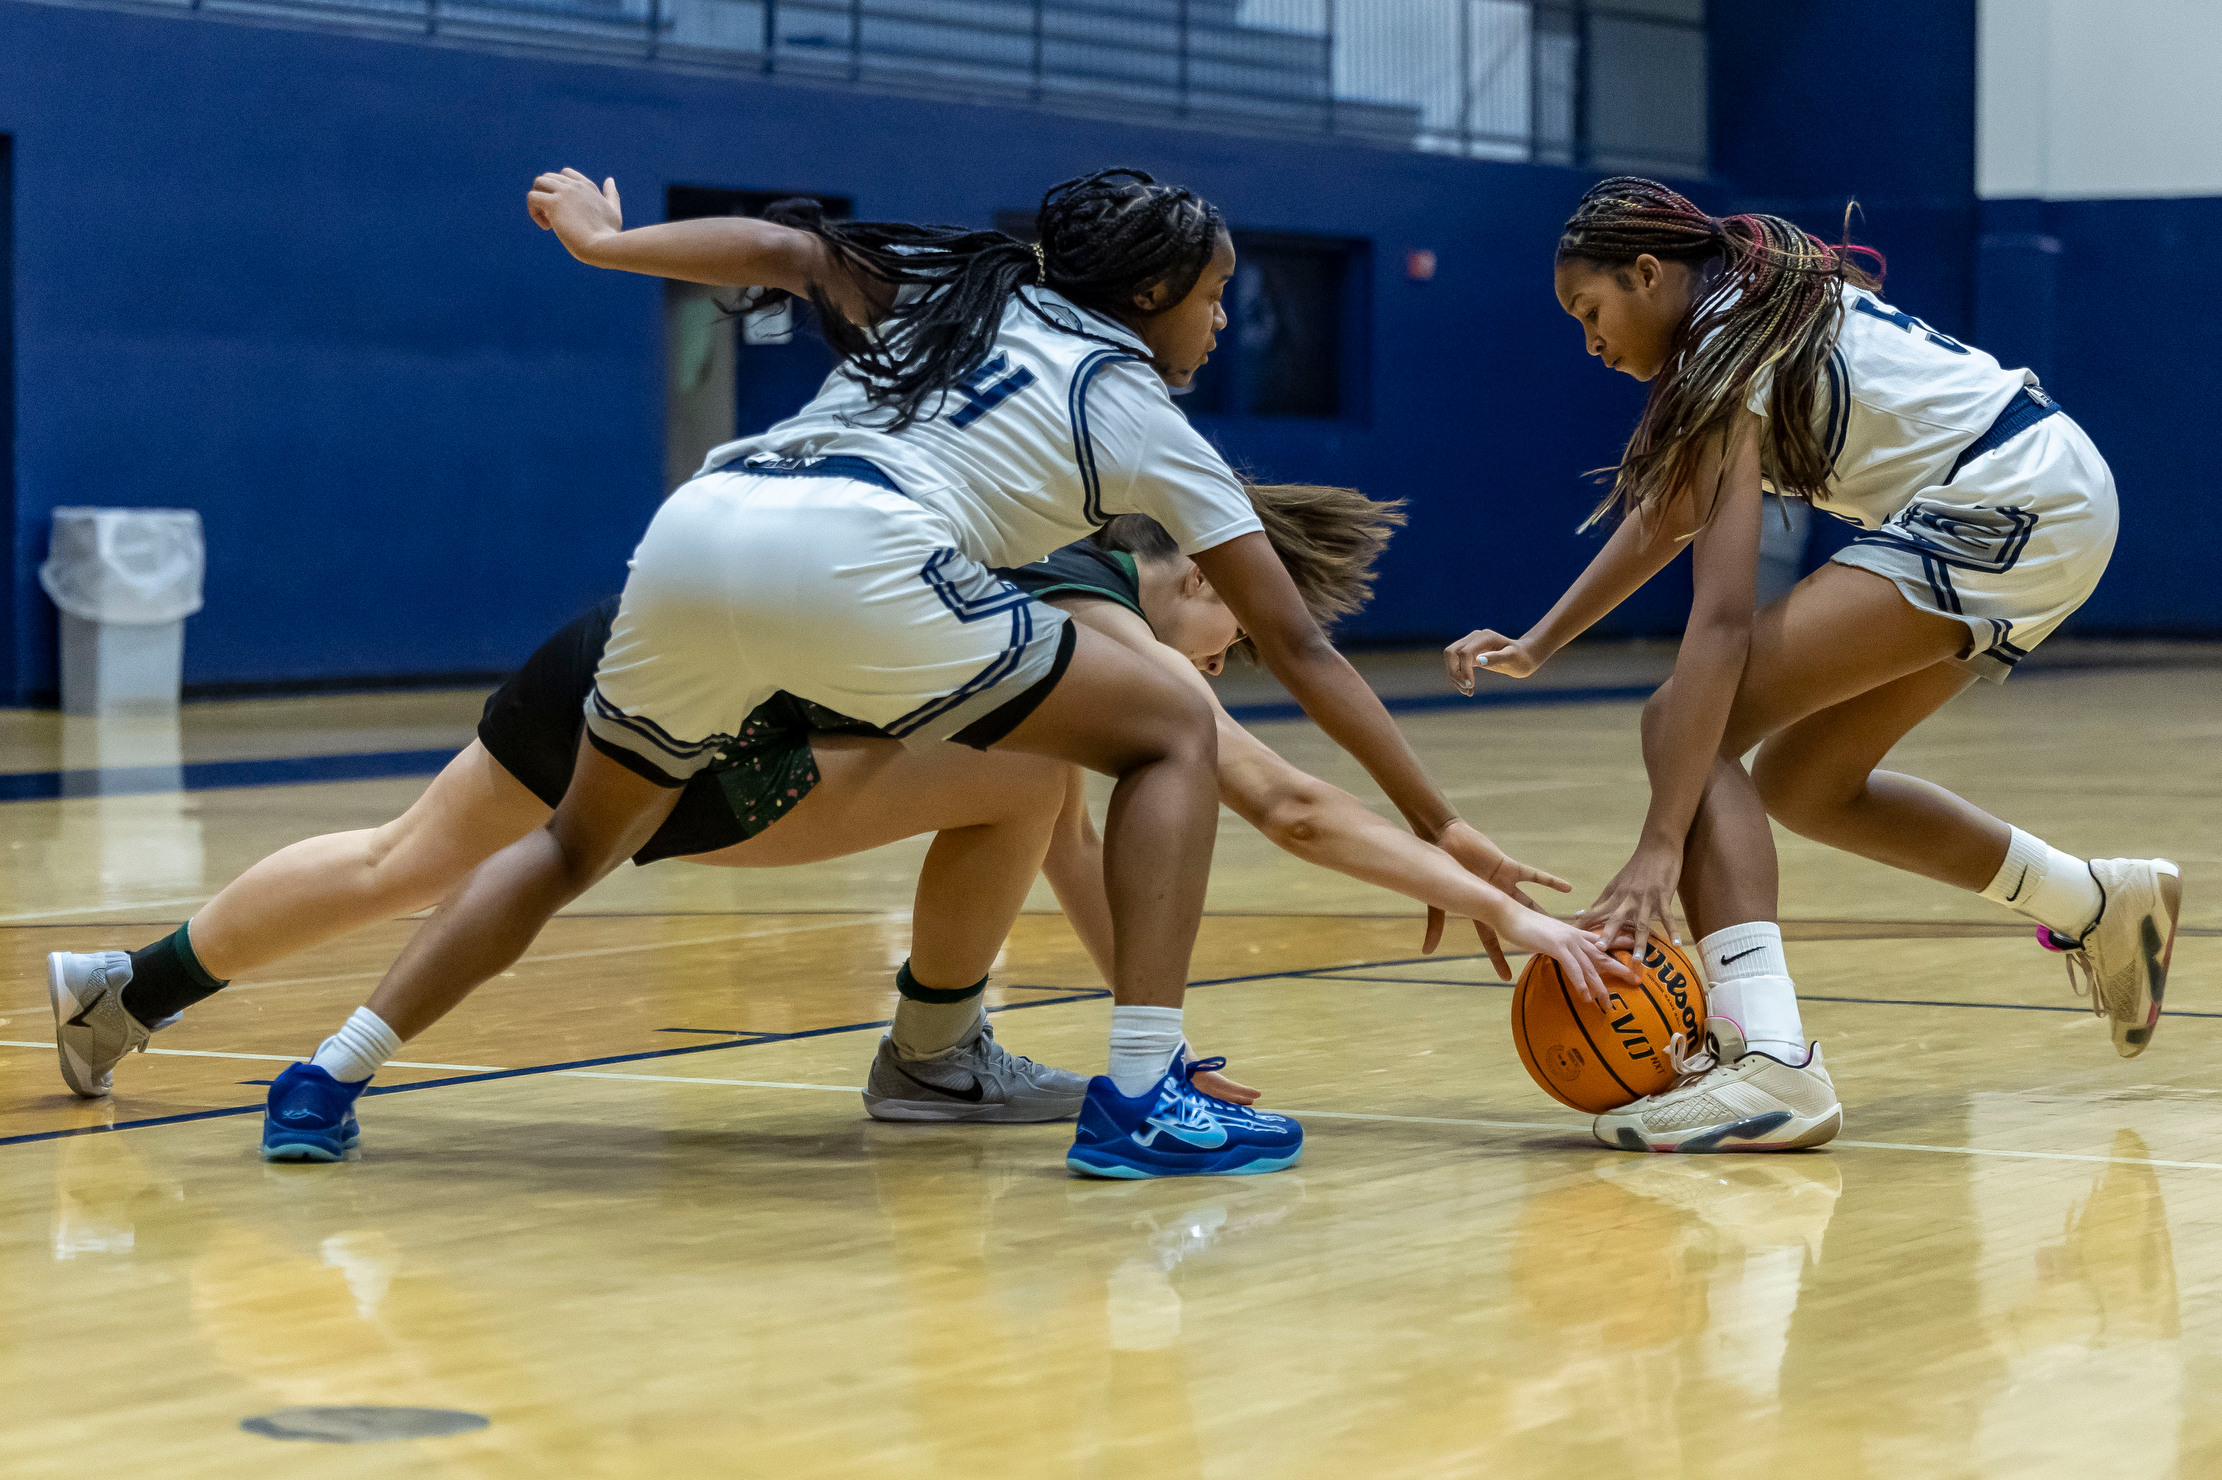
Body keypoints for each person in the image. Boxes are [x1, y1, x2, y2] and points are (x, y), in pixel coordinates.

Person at [51, 486, 1619, 1163]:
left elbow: (1082, 851)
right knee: (1037, 772)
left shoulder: (1021, 529)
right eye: (1237, 636)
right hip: (732, 741)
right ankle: (934, 1059)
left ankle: (133, 988)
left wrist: (1158, 1026)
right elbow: (1271, 798)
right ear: (1191, 577)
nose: (1227, 663)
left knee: (407, 856)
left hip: (622, 636)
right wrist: (1518, 910)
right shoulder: (1108, 628)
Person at [1444, 176, 2181, 1154]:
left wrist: (1660, 842)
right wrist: (1540, 642)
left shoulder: (1718, 336)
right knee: (1804, 781)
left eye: (1590, 310)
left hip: (2007, 498)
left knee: (1681, 722)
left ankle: (1770, 1065)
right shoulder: (1736, 314)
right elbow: (1669, 516)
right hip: (2040, 494)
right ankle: (2091, 901)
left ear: (1649, 273)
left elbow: (1717, 621)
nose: (1587, 339)